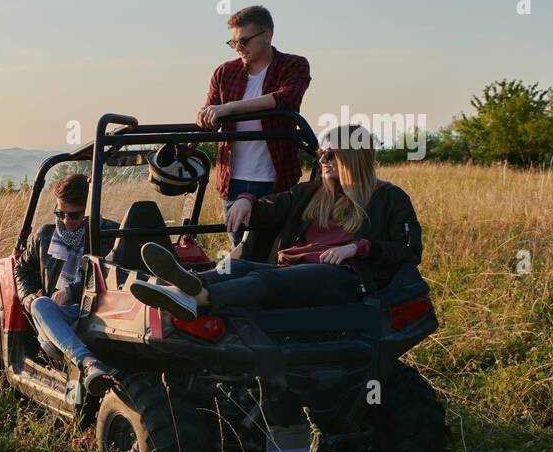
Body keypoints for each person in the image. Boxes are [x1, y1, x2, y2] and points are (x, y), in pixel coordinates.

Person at [129, 124, 422, 320]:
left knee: (264, 279)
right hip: (296, 269)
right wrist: (245, 199)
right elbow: (270, 208)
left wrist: (358, 248)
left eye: (331, 154)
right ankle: (179, 289)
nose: (322, 159)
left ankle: (197, 299)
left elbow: (409, 250)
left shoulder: (388, 197)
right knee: (240, 266)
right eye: (320, 153)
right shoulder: (311, 192)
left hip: (343, 277)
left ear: (354, 156)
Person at [196, 5, 312, 247]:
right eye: (233, 42)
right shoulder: (224, 73)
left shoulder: (294, 65)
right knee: (240, 251)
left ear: (267, 35)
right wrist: (203, 120)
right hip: (233, 180)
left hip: (277, 180)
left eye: (244, 41)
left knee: (276, 251)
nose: (239, 48)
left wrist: (229, 108)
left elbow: (286, 98)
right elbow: (209, 114)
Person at [15, 173, 117, 394]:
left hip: (96, 312)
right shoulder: (45, 235)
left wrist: (73, 291)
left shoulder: (110, 234)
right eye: (60, 214)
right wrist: (28, 294)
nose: (65, 221)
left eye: (74, 215)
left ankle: (83, 391)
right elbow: (20, 267)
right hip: (59, 317)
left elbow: (114, 276)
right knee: (40, 305)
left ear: (88, 210)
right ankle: (87, 362)